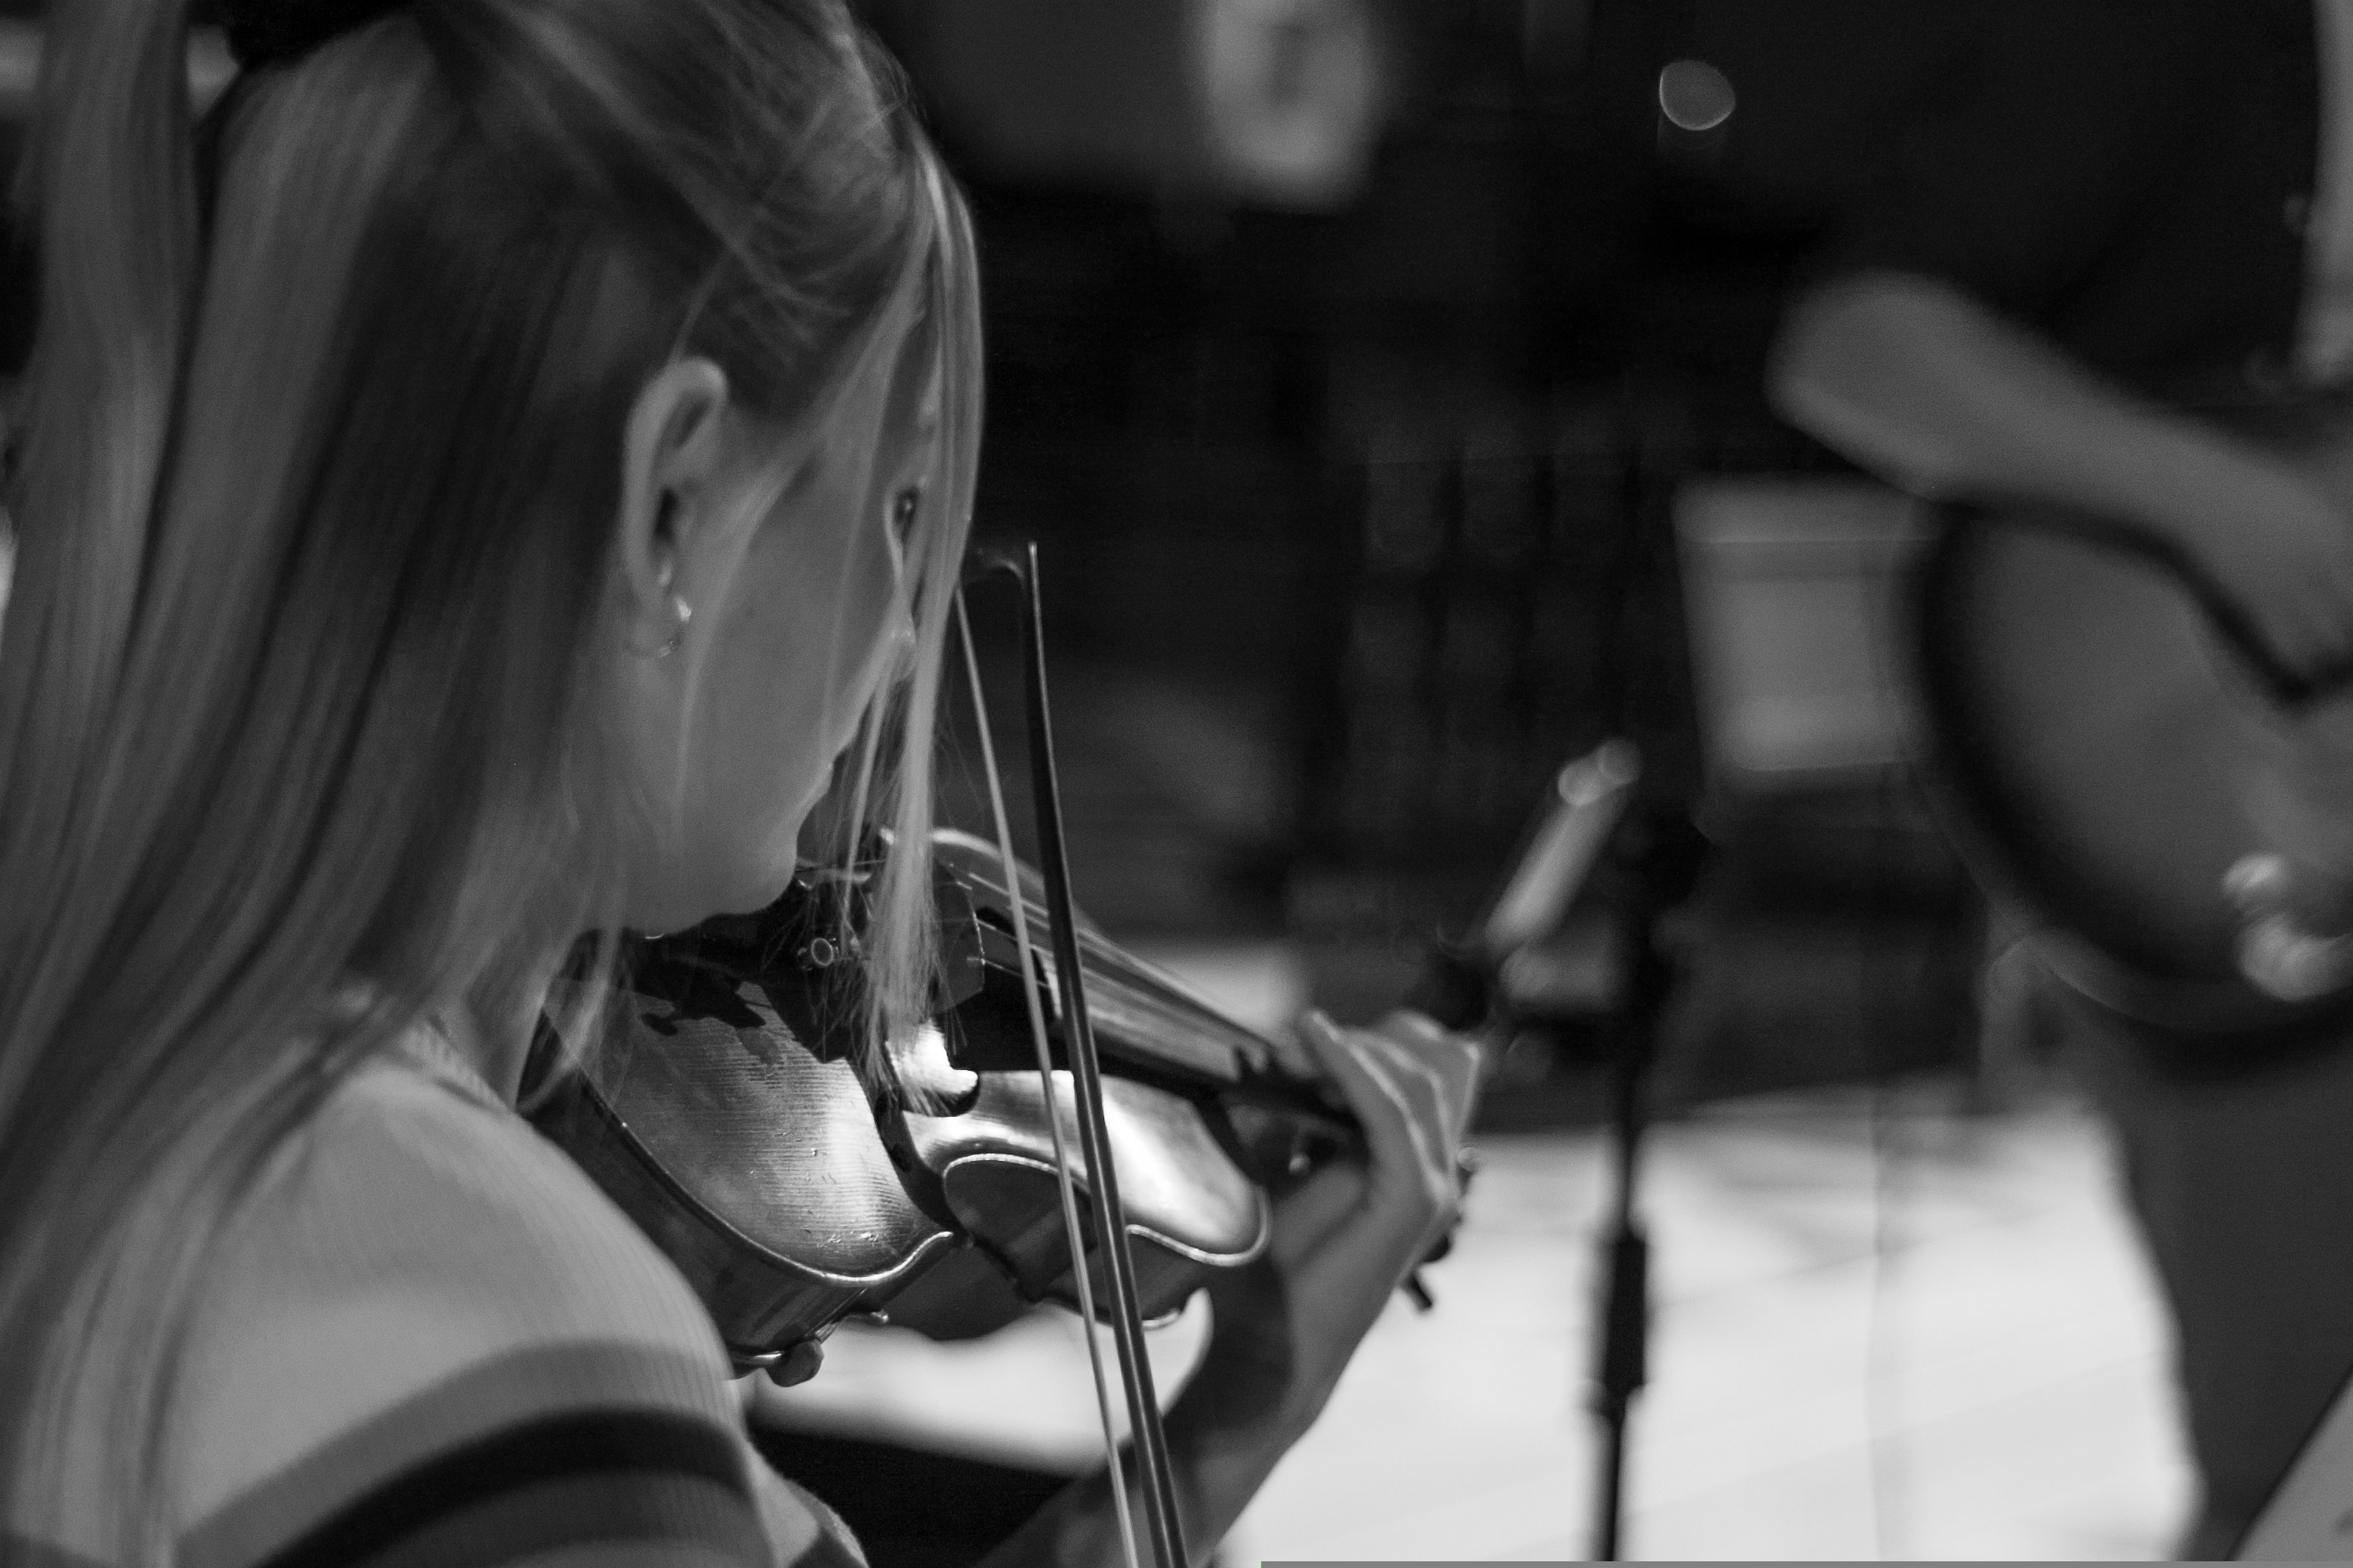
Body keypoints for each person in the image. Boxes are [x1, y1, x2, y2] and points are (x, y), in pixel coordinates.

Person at [0, 1, 1479, 1565]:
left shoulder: (119, 1098)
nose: (905, 640)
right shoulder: (487, 1321)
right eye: (899, 503)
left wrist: (1239, 1409)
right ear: (672, 500)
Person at [1768, 1, 2353, 1555]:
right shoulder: (2186, 38)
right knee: (2299, 1463)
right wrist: (2232, 510)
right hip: (2233, 820)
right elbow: (1851, 345)